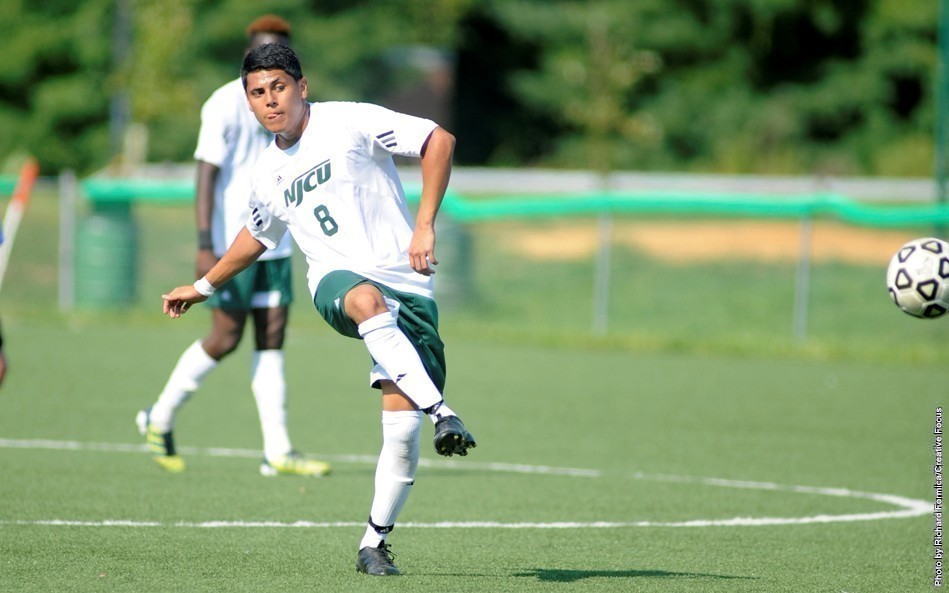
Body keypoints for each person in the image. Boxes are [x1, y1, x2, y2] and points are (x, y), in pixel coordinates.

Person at [161, 43, 476, 577]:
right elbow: (256, 236)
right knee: (363, 298)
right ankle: (443, 410)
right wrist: (204, 285)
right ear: (248, 101)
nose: (269, 101)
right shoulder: (267, 173)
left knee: (400, 436)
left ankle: (374, 542)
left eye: (278, 88)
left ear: (302, 87)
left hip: (411, 289)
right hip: (337, 283)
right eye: (257, 93)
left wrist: (424, 224)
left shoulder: (351, 121)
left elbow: (438, 140)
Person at [137, 15, 329, 478]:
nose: (269, 62)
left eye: (278, 51)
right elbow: (205, 173)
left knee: (272, 338)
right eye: (262, 50)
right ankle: (158, 418)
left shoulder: (298, 103)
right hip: (234, 241)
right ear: (248, 53)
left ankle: (277, 450)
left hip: (278, 246)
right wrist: (206, 244)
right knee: (225, 337)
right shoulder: (224, 103)